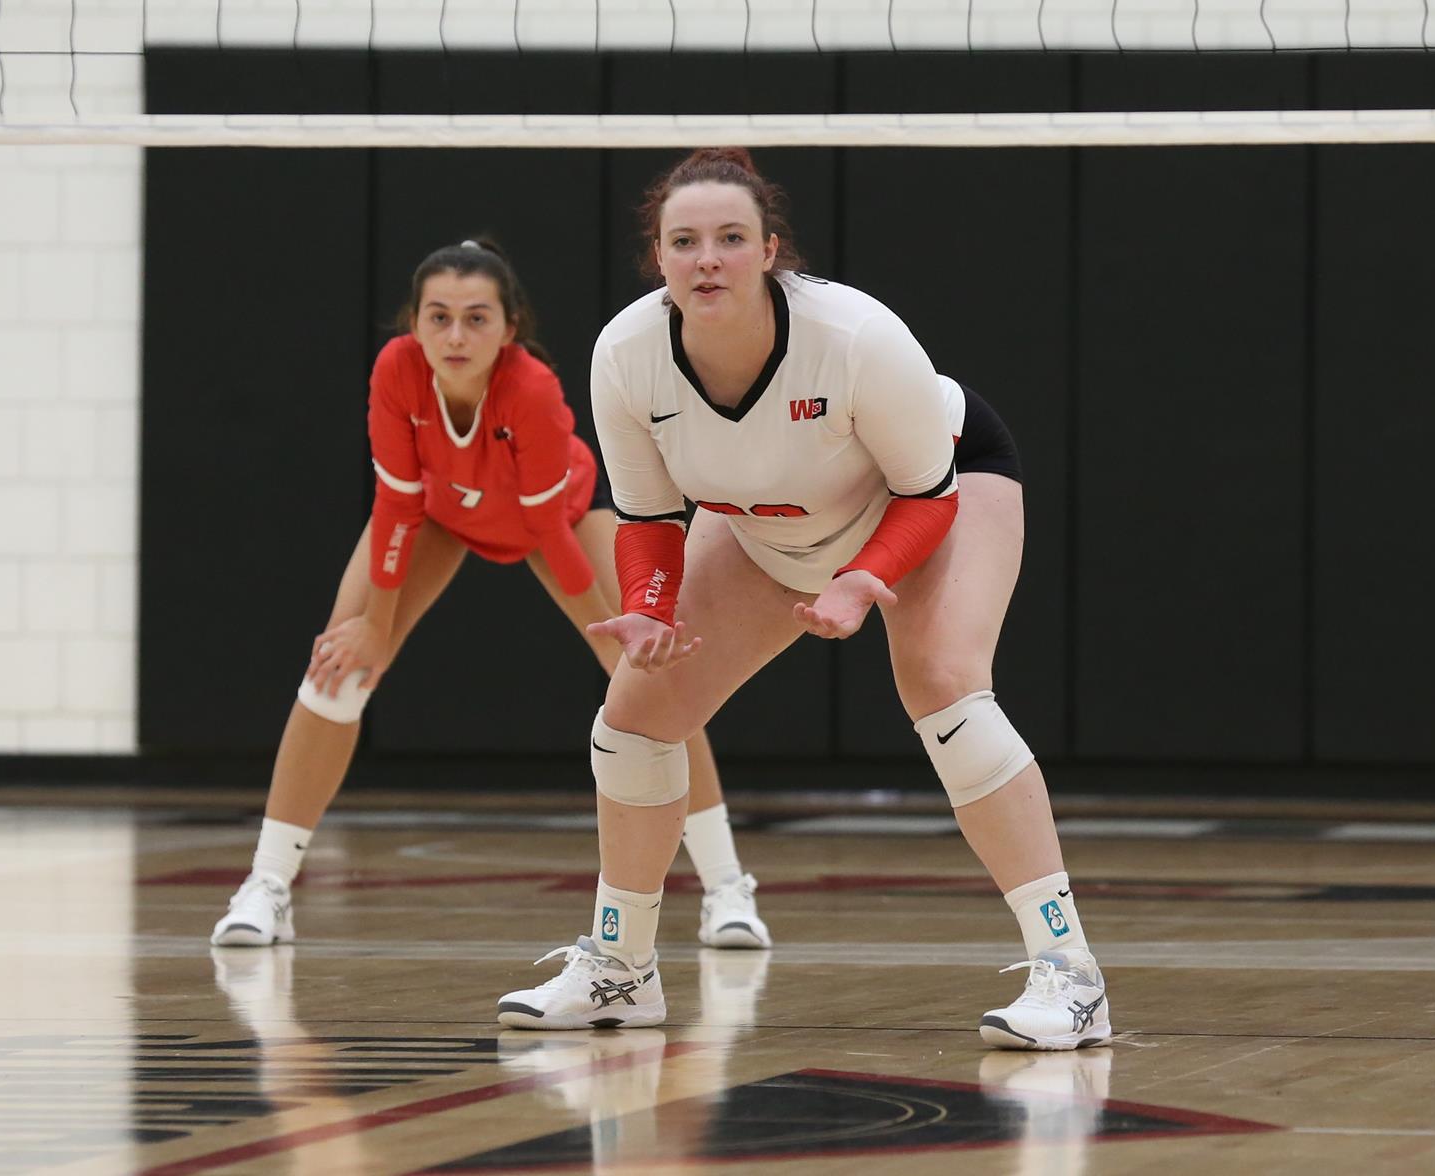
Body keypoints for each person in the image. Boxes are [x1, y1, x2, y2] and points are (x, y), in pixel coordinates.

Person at [493, 149, 1111, 1050]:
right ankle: (621, 969)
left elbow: (927, 493)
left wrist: (863, 578)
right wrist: (651, 606)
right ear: (657, 257)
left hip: (929, 489)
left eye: (731, 238)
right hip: (764, 522)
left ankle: (1071, 973)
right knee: (633, 719)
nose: (708, 258)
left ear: (770, 250)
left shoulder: (854, 335)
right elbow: (650, 516)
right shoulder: (626, 355)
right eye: (685, 241)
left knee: (944, 688)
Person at [210, 239, 770, 952]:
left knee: (656, 680)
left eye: (476, 318)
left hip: (560, 520)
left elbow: (547, 530)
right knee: (338, 666)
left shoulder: (529, 388)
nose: (455, 336)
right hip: (439, 514)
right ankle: (267, 885)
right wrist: (374, 626)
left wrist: (614, 639)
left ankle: (726, 889)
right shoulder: (396, 371)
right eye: (438, 317)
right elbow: (396, 505)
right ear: (414, 324)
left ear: (510, 328)